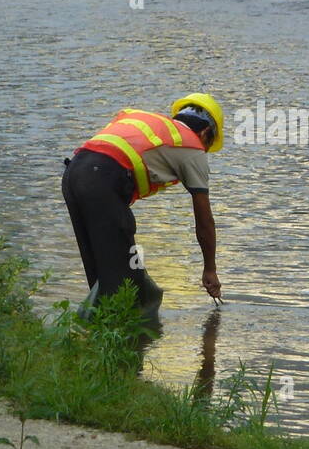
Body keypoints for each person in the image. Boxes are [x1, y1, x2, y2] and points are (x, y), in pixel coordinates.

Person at [62, 93, 223, 314]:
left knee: (102, 275)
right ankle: (120, 336)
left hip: (73, 175)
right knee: (127, 281)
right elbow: (205, 220)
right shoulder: (191, 146)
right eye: (208, 145)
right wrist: (210, 270)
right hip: (101, 182)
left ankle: (100, 337)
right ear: (205, 133)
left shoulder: (148, 122)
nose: (204, 152)